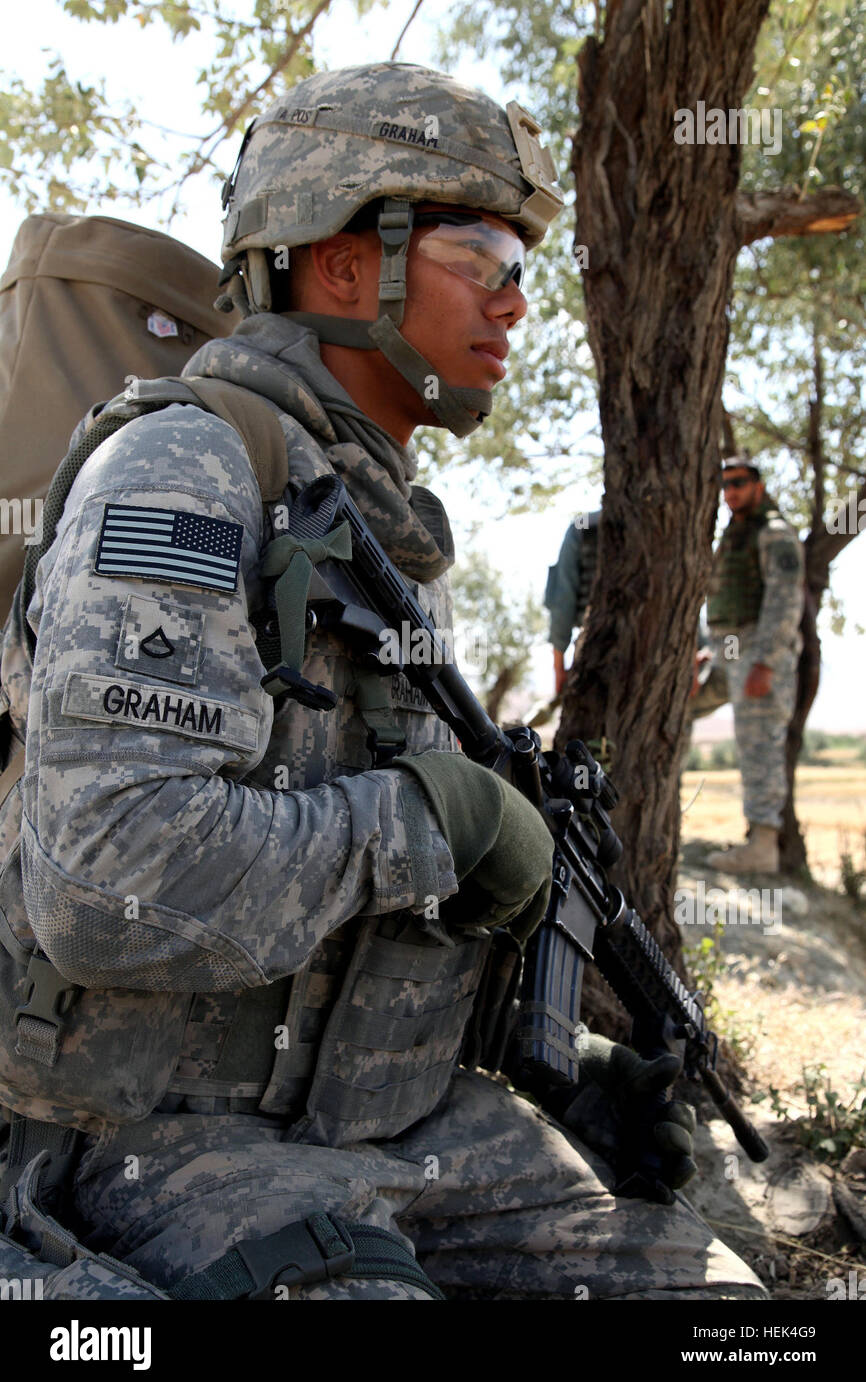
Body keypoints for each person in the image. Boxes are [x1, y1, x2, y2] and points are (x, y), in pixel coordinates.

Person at [0, 64, 765, 1300]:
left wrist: (567, 1064)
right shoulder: (183, 473)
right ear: (342, 262)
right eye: (484, 255)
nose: (518, 305)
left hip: (405, 1124)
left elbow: (364, 928)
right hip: (169, 1141)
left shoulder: (382, 535)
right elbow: (106, 875)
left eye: (523, 267)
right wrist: (436, 820)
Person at [699, 457, 804, 874]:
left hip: (757, 650)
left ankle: (762, 845)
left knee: (759, 743)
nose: (731, 492)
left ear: (758, 486)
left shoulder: (774, 533)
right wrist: (709, 651)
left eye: (739, 483)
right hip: (728, 649)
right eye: (725, 485)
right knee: (680, 705)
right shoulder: (736, 533)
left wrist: (767, 661)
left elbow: (784, 601)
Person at [544, 509, 600, 694]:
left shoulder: (581, 525)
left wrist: (558, 668)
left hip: (598, 651)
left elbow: (562, 600)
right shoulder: (662, 520)